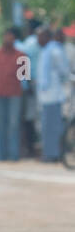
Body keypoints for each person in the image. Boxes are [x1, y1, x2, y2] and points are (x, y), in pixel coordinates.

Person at [37, 26, 71, 163]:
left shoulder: (55, 51)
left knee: (53, 127)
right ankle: (49, 153)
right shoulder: (45, 51)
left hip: (54, 95)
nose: (38, 39)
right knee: (46, 127)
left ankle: (54, 154)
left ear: (47, 36)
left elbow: (64, 71)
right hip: (46, 97)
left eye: (40, 36)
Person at [0, 27, 24, 161]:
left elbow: (25, 77)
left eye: (10, 36)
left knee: (13, 124)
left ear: (15, 39)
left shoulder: (22, 56)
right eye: (6, 35)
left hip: (15, 94)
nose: (7, 38)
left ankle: (13, 155)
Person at [19, 19, 42, 157]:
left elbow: (23, 63)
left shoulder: (29, 43)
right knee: (32, 118)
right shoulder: (40, 42)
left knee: (29, 118)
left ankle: (29, 148)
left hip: (31, 84)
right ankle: (31, 148)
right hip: (36, 83)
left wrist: (24, 83)